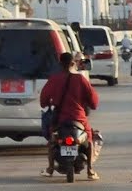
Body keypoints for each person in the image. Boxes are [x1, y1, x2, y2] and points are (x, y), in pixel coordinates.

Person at [40, 51, 101, 181]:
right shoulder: (81, 79)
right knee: (89, 138)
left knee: (52, 140)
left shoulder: (54, 79)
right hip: (79, 119)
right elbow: (94, 102)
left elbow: (43, 101)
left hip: (59, 120)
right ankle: (90, 170)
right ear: (73, 63)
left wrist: (50, 102)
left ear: (60, 64)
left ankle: (50, 168)